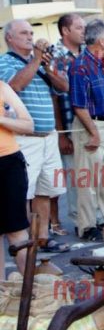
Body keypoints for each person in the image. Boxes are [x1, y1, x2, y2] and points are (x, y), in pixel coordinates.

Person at [0, 20, 70, 252]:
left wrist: (47, 67)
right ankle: (22, 240)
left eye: (32, 32)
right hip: (24, 139)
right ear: (9, 38)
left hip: (47, 136)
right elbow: (15, 86)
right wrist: (37, 60)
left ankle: (42, 237)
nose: (30, 37)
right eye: (24, 33)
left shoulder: (40, 63)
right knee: (23, 192)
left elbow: (63, 88)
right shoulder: (5, 61)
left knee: (45, 189)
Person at [68, 19, 104, 241]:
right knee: (88, 180)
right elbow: (79, 105)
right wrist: (95, 133)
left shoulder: (101, 63)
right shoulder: (80, 66)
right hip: (91, 125)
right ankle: (87, 226)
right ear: (101, 40)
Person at [51, 13, 88, 235]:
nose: (84, 31)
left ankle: (92, 218)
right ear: (65, 31)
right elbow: (55, 95)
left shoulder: (84, 53)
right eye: (79, 27)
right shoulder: (56, 57)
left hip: (87, 124)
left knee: (90, 173)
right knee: (75, 176)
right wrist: (61, 133)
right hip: (67, 122)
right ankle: (78, 220)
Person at [0, 80, 36, 275]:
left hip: (8, 162)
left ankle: (29, 290)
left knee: (16, 229)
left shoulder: (2, 87)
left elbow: (28, 125)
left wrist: (2, 120)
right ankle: (2, 294)